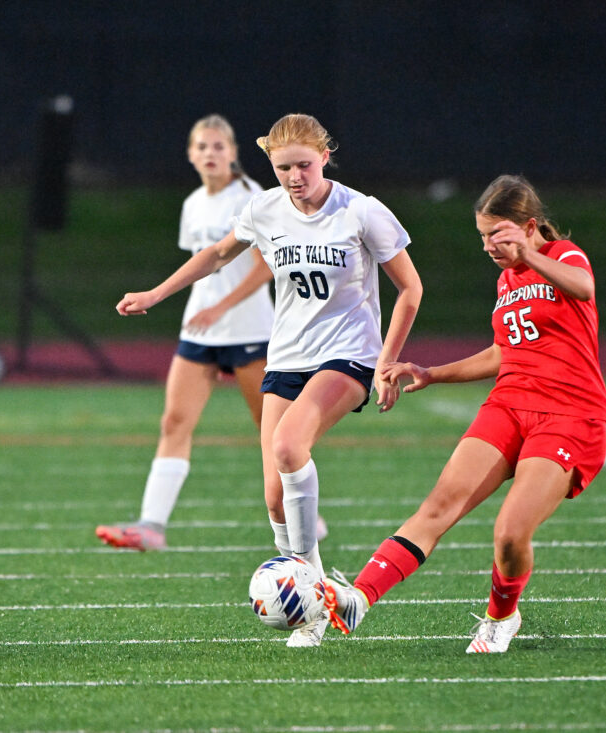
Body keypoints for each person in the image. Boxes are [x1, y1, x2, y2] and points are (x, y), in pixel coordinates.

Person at [114, 113, 423, 648]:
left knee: (288, 445)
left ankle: (310, 595)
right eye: (283, 168)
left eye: (304, 165)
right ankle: (318, 606)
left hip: (348, 356)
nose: (295, 177)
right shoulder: (265, 208)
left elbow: (411, 290)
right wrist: (155, 294)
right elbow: (217, 254)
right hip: (286, 359)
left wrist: (385, 362)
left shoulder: (361, 211)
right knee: (276, 499)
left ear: (325, 157)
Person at [324, 174, 606, 654]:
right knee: (438, 507)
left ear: (529, 226)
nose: (488, 246)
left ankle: (502, 617)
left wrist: (530, 256)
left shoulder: (563, 255)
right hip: (509, 404)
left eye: (497, 234)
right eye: (483, 235)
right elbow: (502, 353)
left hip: (570, 414)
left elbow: (584, 287)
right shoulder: (507, 278)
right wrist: (432, 373)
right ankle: (359, 597)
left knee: (510, 533)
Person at [96, 114, 276, 552]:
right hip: (200, 330)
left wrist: (222, 307)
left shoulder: (251, 197)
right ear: (191, 155)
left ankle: (302, 515)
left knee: (271, 430)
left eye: (219, 146)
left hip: (250, 330)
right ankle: (151, 527)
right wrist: (169, 299)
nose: (210, 153)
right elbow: (204, 262)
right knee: (174, 421)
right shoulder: (193, 203)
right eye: (202, 146)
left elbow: (266, 267)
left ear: (233, 153)